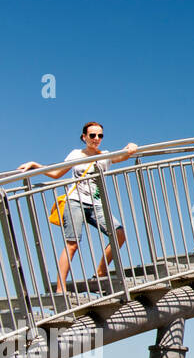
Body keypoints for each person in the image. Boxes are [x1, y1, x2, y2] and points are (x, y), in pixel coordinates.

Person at [17, 122, 139, 294]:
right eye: (92, 135)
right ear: (84, 137)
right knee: (72, 244)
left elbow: (123, 156)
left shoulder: (105, 155)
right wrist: (35, 165)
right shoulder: (75, 154)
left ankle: (101, 272)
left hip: (97, 204)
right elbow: (56, 173)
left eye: (100, 136)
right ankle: (60, 289)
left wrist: (131, 147)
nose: (96, 139)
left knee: (119, 234)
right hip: (74, 202)